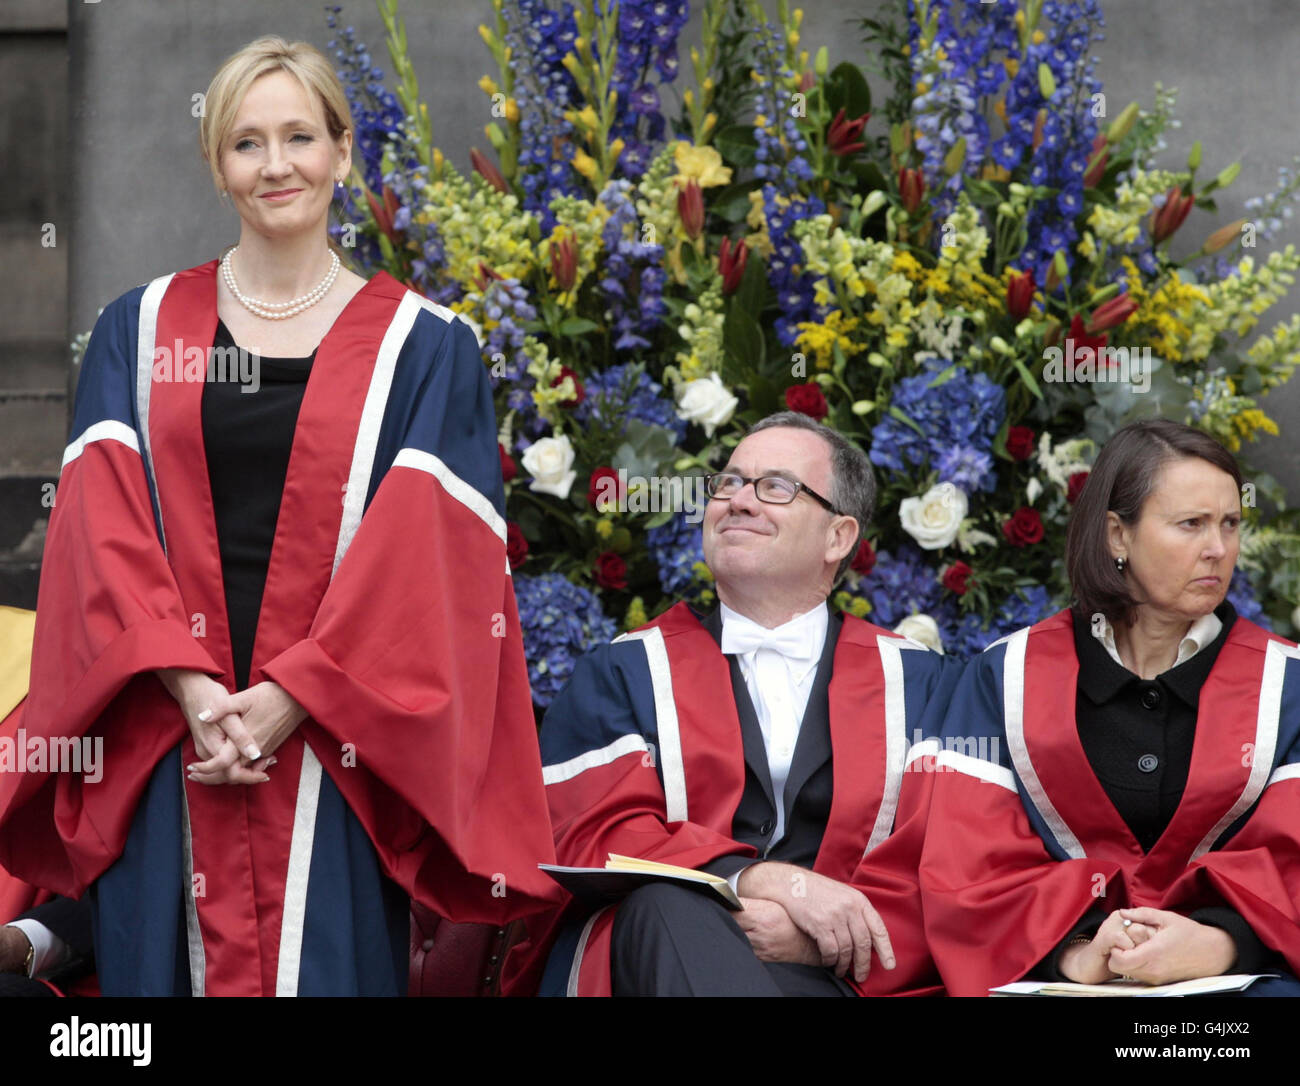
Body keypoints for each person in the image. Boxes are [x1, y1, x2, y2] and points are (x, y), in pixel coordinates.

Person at [0, 36, 558, 996]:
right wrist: (196, 696)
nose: (276, 165)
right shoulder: (137, 332)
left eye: (300, 136)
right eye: (246, 143)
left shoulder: (426, 349)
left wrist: (291, 697)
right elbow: (103, 535)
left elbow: (425, 565)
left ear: (343, 153)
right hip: (169, 733)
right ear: (218, 165)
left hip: (338, 747)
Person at [502, 411, 961, 997]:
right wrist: (758, 880)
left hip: (841, 983)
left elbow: (956, 868)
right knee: (666, 901)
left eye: (775, 487)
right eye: (729, 483)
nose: (740, 500)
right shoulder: (624, 672)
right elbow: (589, 835)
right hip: (656, 966)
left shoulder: (920, 685)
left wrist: (817, 937)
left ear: (838, 537)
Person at [918, 418, 1300, 995]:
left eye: (1230, 524)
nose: (1218, 549)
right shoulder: (1005, 679)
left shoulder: (1288, 688)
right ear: (1117, 536)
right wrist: (1080, 954)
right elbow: (964, 872)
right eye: (1190, 524)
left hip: (1239, 992)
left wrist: (1222, 942)